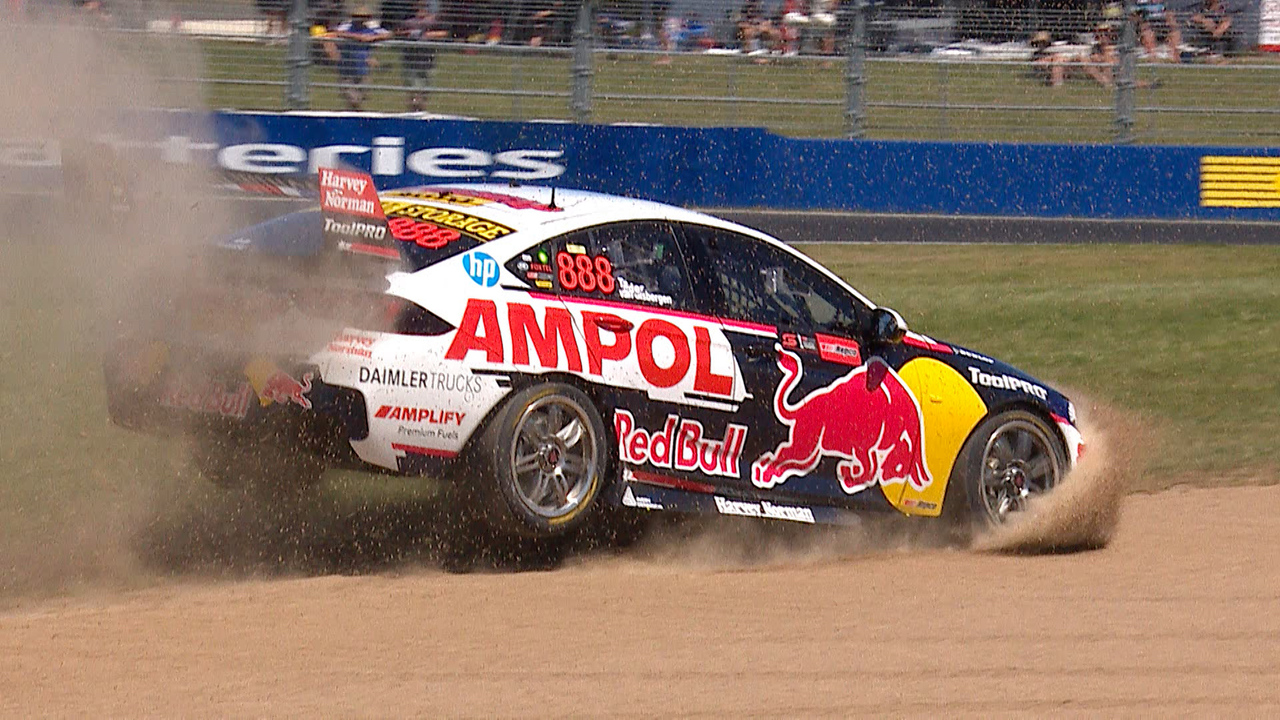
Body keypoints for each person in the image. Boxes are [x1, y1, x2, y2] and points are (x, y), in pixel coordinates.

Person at [324, 5, 391, 110]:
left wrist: (372, 38)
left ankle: (354, 119)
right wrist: (358, 37)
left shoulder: (371, 29)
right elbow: (335, 33)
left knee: (358, 100)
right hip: (346, 70)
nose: (359, 19)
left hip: (363, 71)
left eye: (362, 17)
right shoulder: (346, 27)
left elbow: (388, 34)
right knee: (353, 99)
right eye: (357, 16)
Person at [398, 0, 446, 112]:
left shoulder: (433, 21)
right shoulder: (407, 18)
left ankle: (421, 117)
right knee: (414, 95)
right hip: (410, 61)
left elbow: (444, 32)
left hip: (428, 61)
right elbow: (397, 32)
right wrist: (409, 34)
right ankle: (413, 116)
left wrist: (425, 35)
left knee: (424, 94)